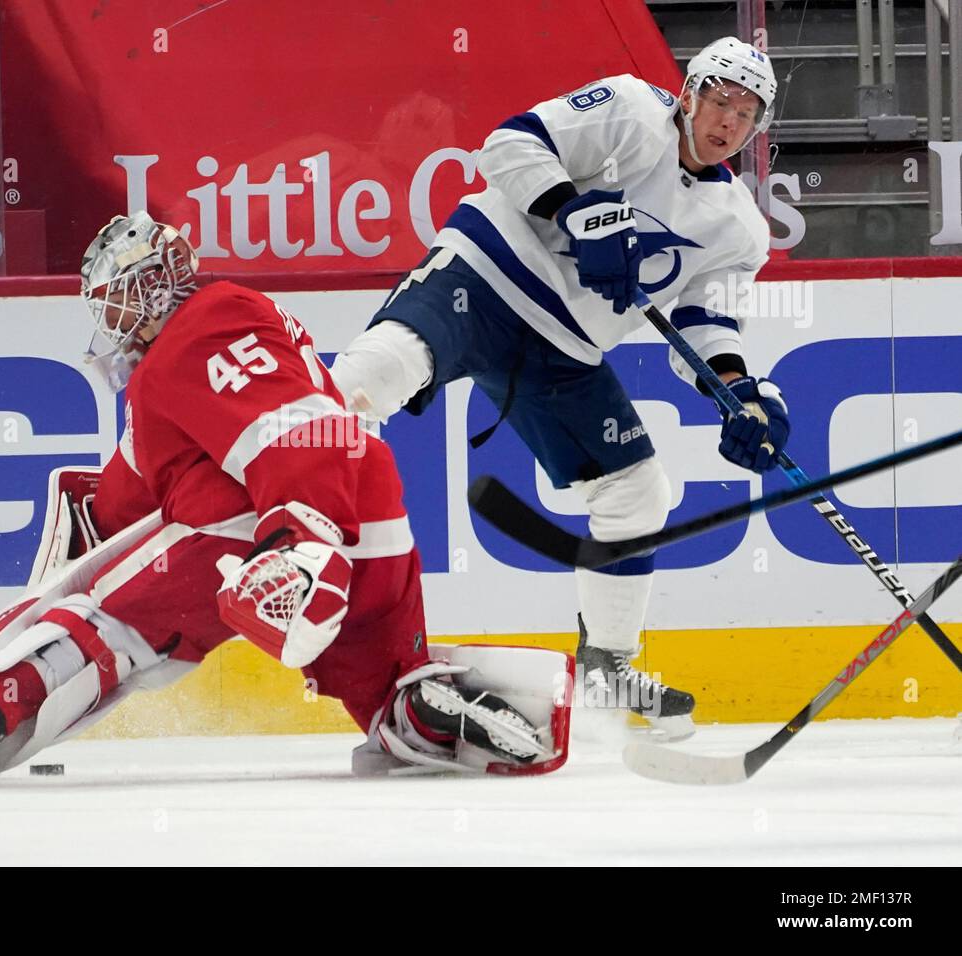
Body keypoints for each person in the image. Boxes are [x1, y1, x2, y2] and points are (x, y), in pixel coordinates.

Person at [0, 211, 572, 782]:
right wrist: (94, 526)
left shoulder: (207, 320)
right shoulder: (180, 368)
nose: (112, 321)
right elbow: (129, 497)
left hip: (267, 527)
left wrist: (303, 538)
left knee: (113, 625)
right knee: (384, 690)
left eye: (116, 300)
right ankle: (463, 710)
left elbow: (289, 427)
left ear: (153, 284)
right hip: (367, 510)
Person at [330, 37, 789, 739]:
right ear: (690, 92)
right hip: (483, 277)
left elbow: (705, 323)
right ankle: (251, 497)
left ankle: (607, 668)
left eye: (747, 111)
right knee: (376, 373)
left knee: (639, 491)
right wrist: (572, 209)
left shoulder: (739, 229)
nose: (729, 119)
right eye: (721, 99)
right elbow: (508, 145)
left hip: (565, 349)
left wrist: (741, 394)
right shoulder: (633, 111)